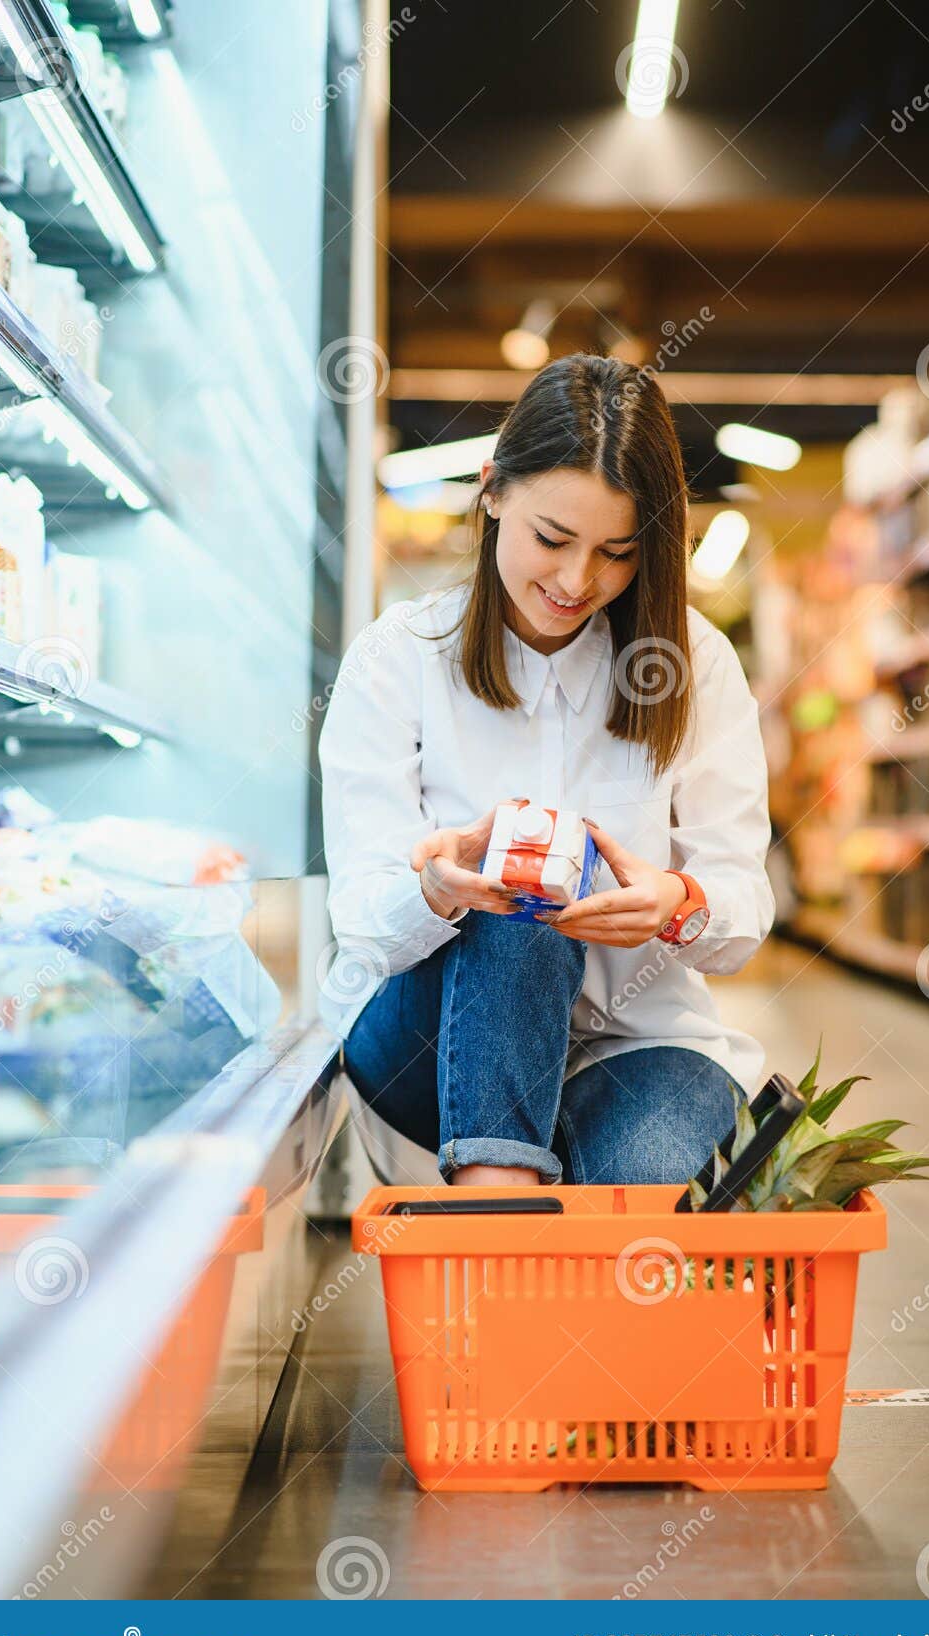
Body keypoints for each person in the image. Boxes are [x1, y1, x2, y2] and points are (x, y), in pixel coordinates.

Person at [319, 353, 773, 1188]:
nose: (576, 581)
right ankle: (496, 1203)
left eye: (617, 552)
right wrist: (439, 889)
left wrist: (678, 902)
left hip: (633, 1040)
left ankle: (511, 1206)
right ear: (492, 490)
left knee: (645, 1206)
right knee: (516, 905)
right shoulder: (399, 658)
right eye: (552, 539)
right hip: (429, 1041)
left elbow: (742, 905)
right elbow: (361, 925)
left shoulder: (695, 664)